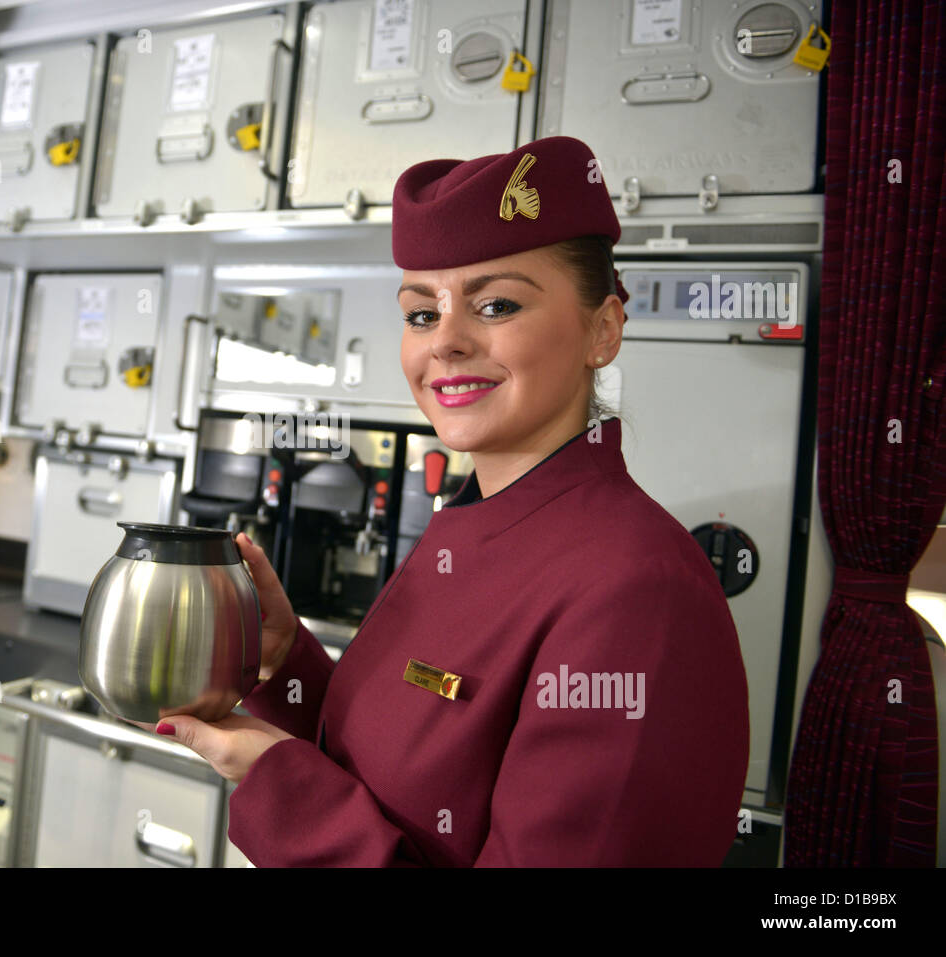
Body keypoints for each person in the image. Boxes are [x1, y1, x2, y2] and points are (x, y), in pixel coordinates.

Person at [149, 136, 751, 866]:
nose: (447, 344)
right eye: (421, 313)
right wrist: (283, 663)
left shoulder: (638, 591)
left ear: (604, 329)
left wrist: (285, 788)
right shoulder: (472, 520)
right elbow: (408, 766)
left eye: (496, 304)